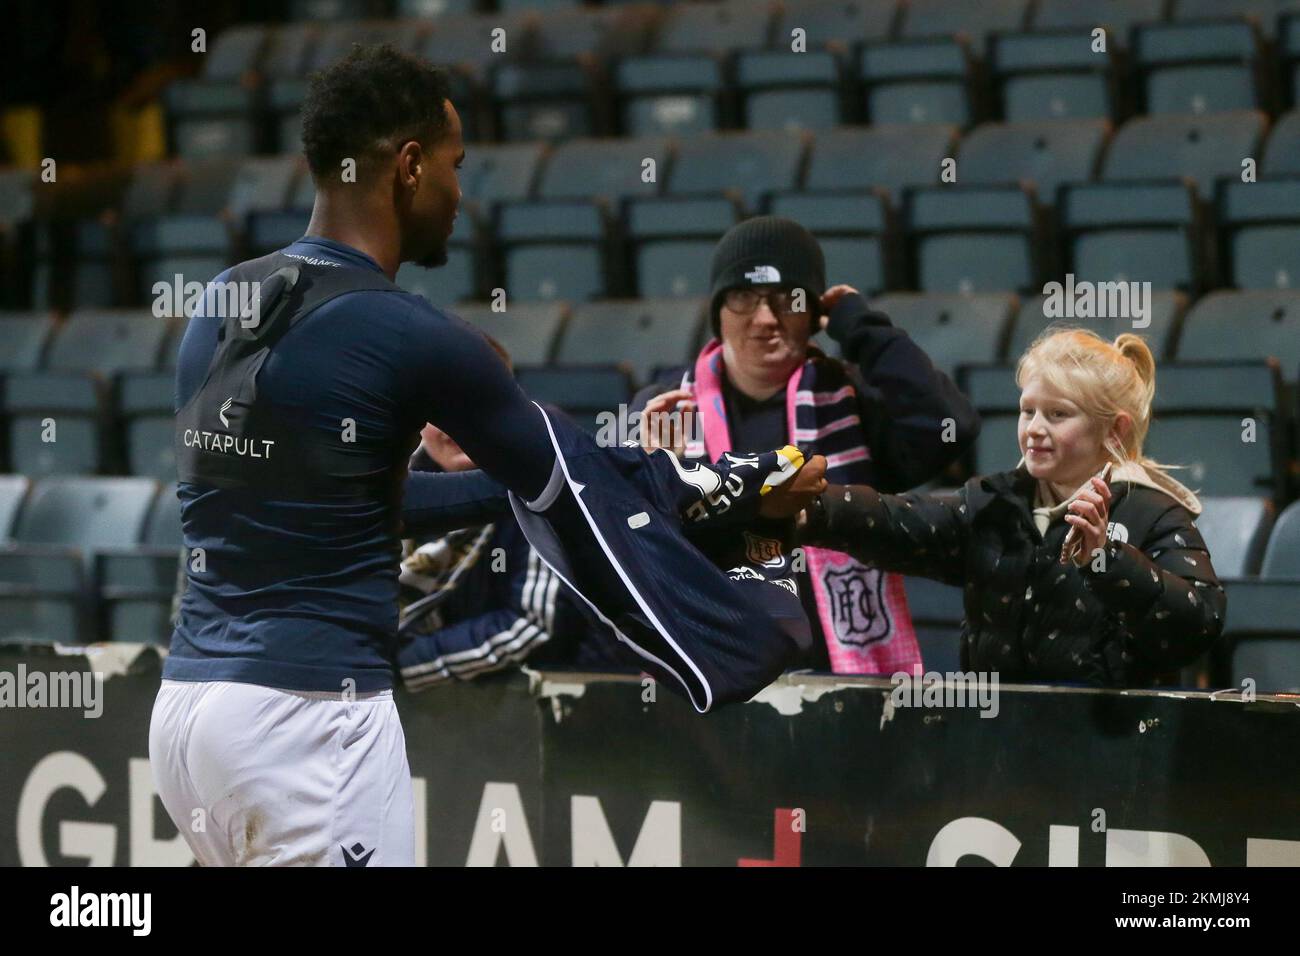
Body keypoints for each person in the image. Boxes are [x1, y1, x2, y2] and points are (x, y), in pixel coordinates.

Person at [149, 44, 825, 867]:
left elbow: (369, 508)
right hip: (310, 718)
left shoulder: (219, 305)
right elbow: (564, 475)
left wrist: (503, 496)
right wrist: (741, 487)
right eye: (453, 164)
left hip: (187, 715)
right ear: (406, 166)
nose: (459, 194)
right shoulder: (408, 332)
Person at [631, 216, 980, 676]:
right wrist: (657, 479)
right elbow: (629, 541)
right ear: (717, 313)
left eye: (787, 301)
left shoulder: (852, 399)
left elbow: (949, 424)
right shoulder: (665, 411)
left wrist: (862, 327)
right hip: (713, 665)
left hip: (838, 674)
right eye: (742, 298)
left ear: (815, 316)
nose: (765, 319)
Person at [789, 328, 1226, 686]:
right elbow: (901, 523)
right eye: (1027, 411)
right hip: (997, 753)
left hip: (1111, 759)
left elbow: (1198, 623)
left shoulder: (1151, 512)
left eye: (1057, 415)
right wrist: (814, 508)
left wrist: (1106, 563)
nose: (1034, 429)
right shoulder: (995, 503)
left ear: (1114, 429)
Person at [398, 416, 634, 688]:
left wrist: (405, 663)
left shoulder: (543, 479)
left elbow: (533, 626)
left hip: (570, 701)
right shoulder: (394, 485)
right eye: (433, 411)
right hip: (447, 704)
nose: (450, 423)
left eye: (465, 400)